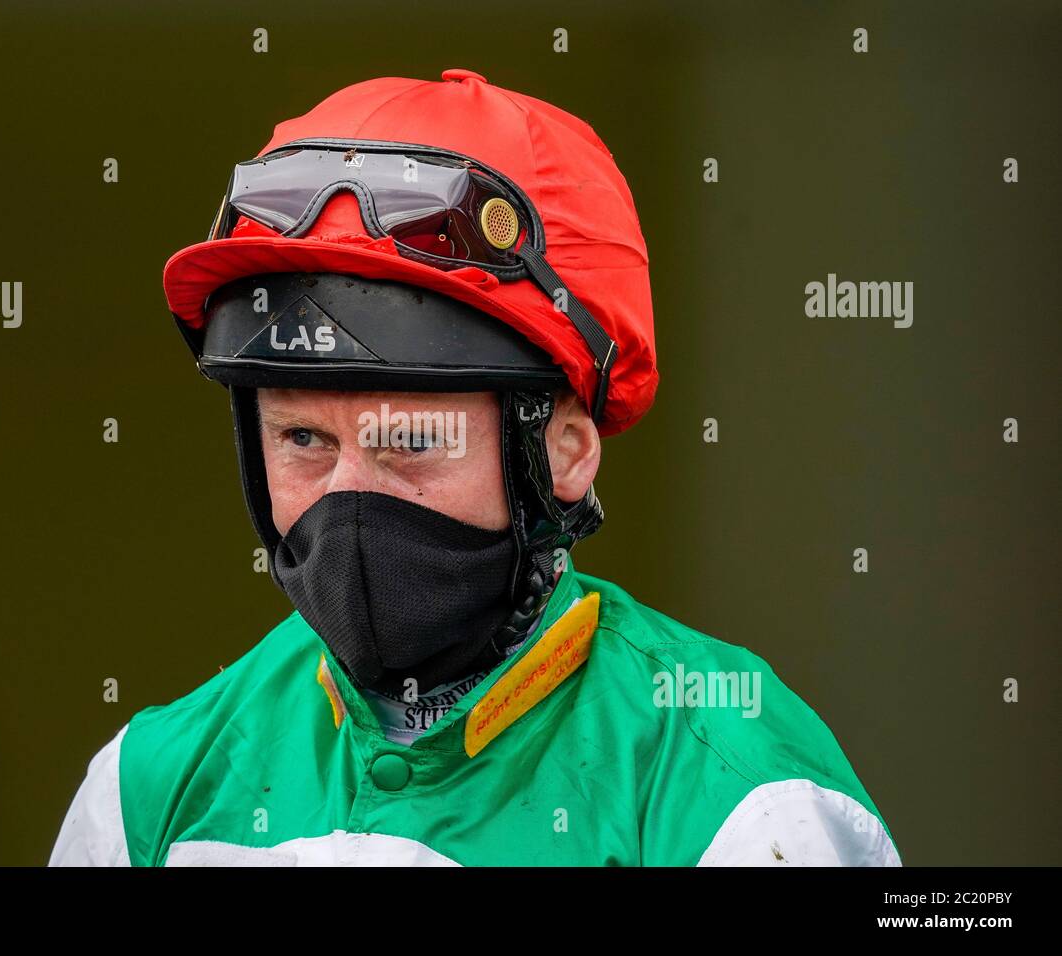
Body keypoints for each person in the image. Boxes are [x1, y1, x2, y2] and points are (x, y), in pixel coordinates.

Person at [49, 69, 901, 866]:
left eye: (410, 439)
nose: (348, 496)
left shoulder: (739, 792)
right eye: (302, 438)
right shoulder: (144, 792)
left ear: (564, 449)